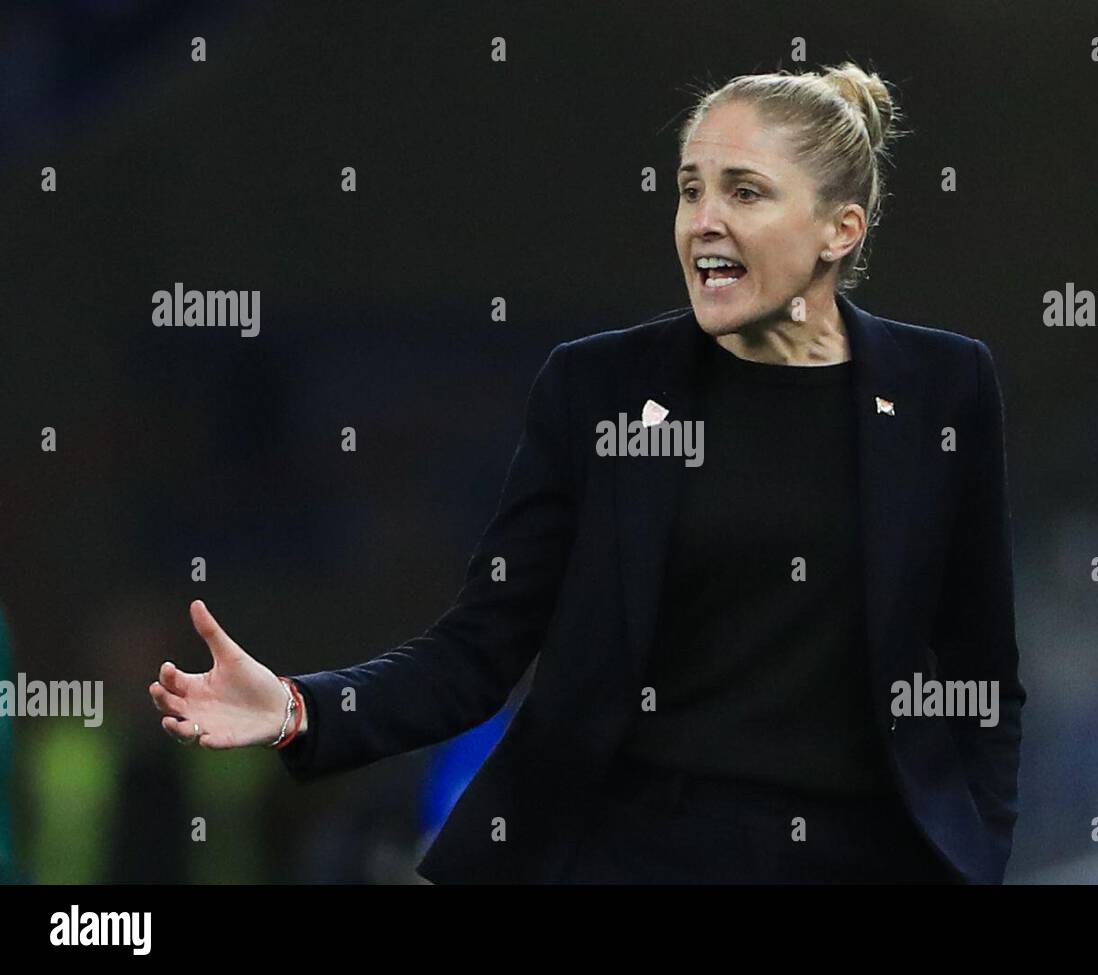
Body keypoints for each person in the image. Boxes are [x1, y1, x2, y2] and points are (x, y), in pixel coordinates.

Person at [149, 60, 1026, 884]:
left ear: (841, 229)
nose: (704, 220)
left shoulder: (943, 387)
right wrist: (302, 706)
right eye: (690, 190)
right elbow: (478, 650)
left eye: (744, 191)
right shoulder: (598, 387)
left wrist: (973, 853)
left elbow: (980, 663)